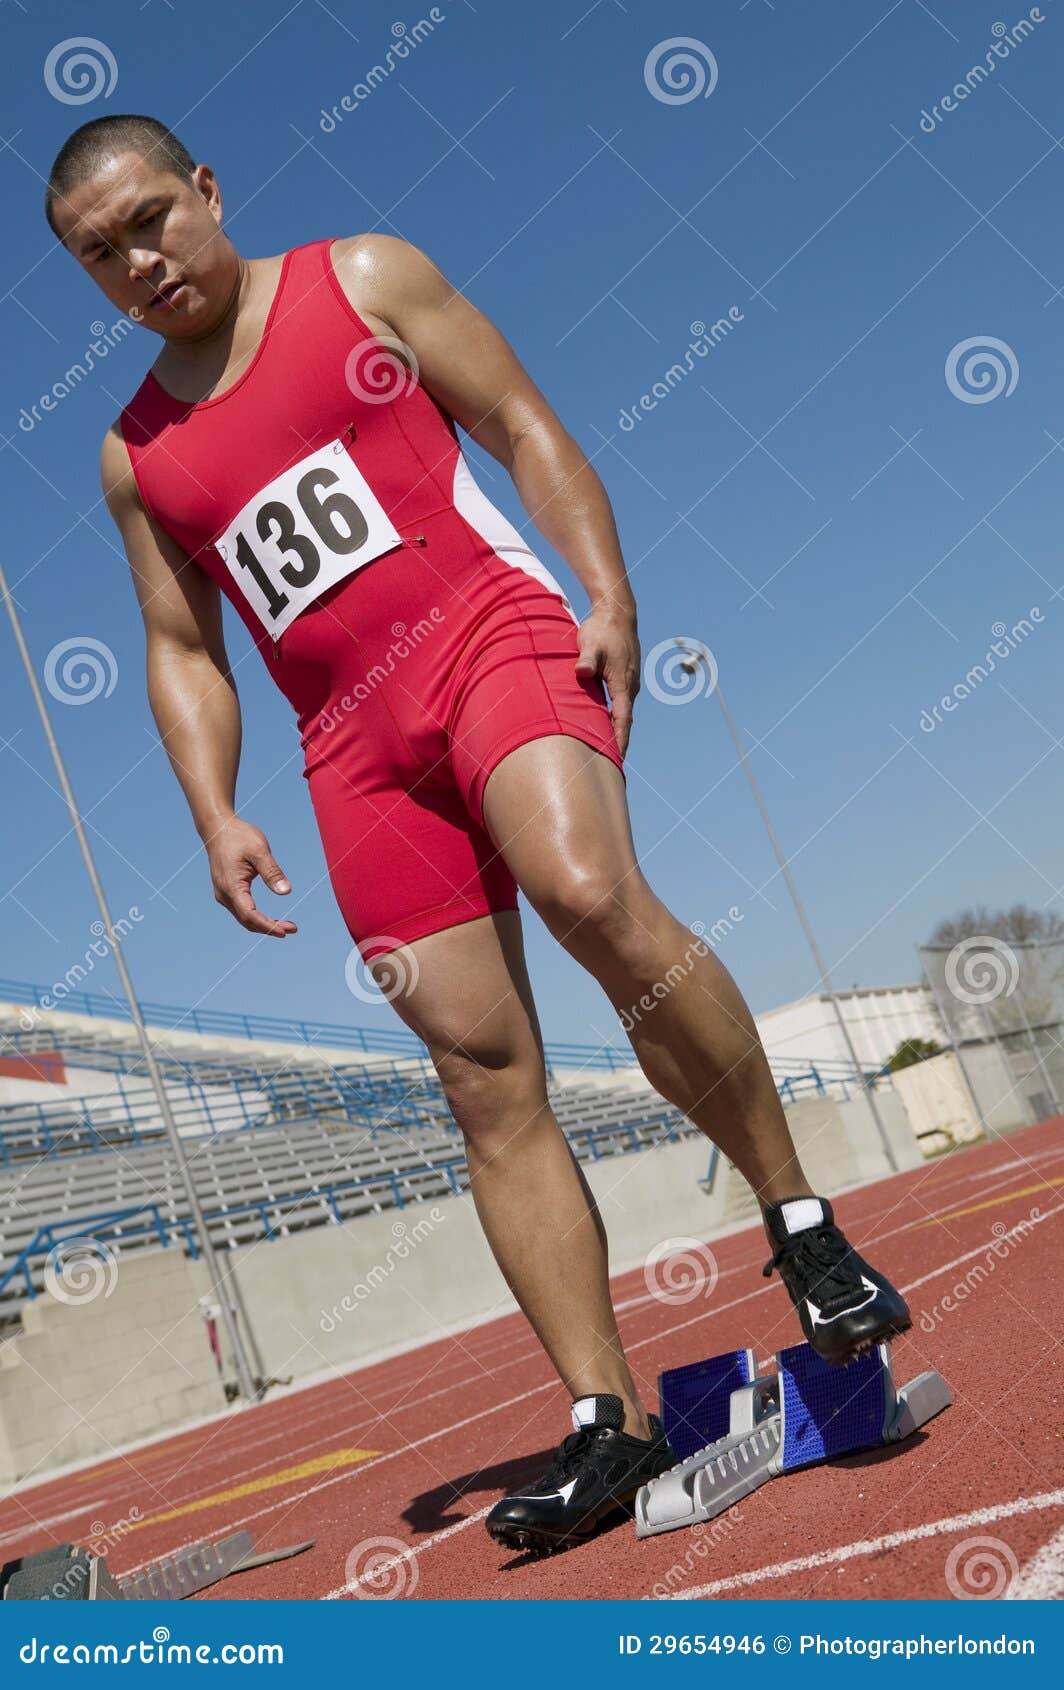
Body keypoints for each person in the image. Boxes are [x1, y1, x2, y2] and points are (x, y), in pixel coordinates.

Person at [46, 114, 911, 1554]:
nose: (140, 262)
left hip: (488, 635)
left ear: (206, 188)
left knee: (586, 890)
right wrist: (214, 811)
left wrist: (605, 587)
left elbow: (521, 424)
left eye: (151, 220)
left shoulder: (362, 279)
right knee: (480, 1075)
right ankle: (609, 1420)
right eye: (100, 254)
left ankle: (804, 1225)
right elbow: (182, 646)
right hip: (354, 755)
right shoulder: (136, 456)